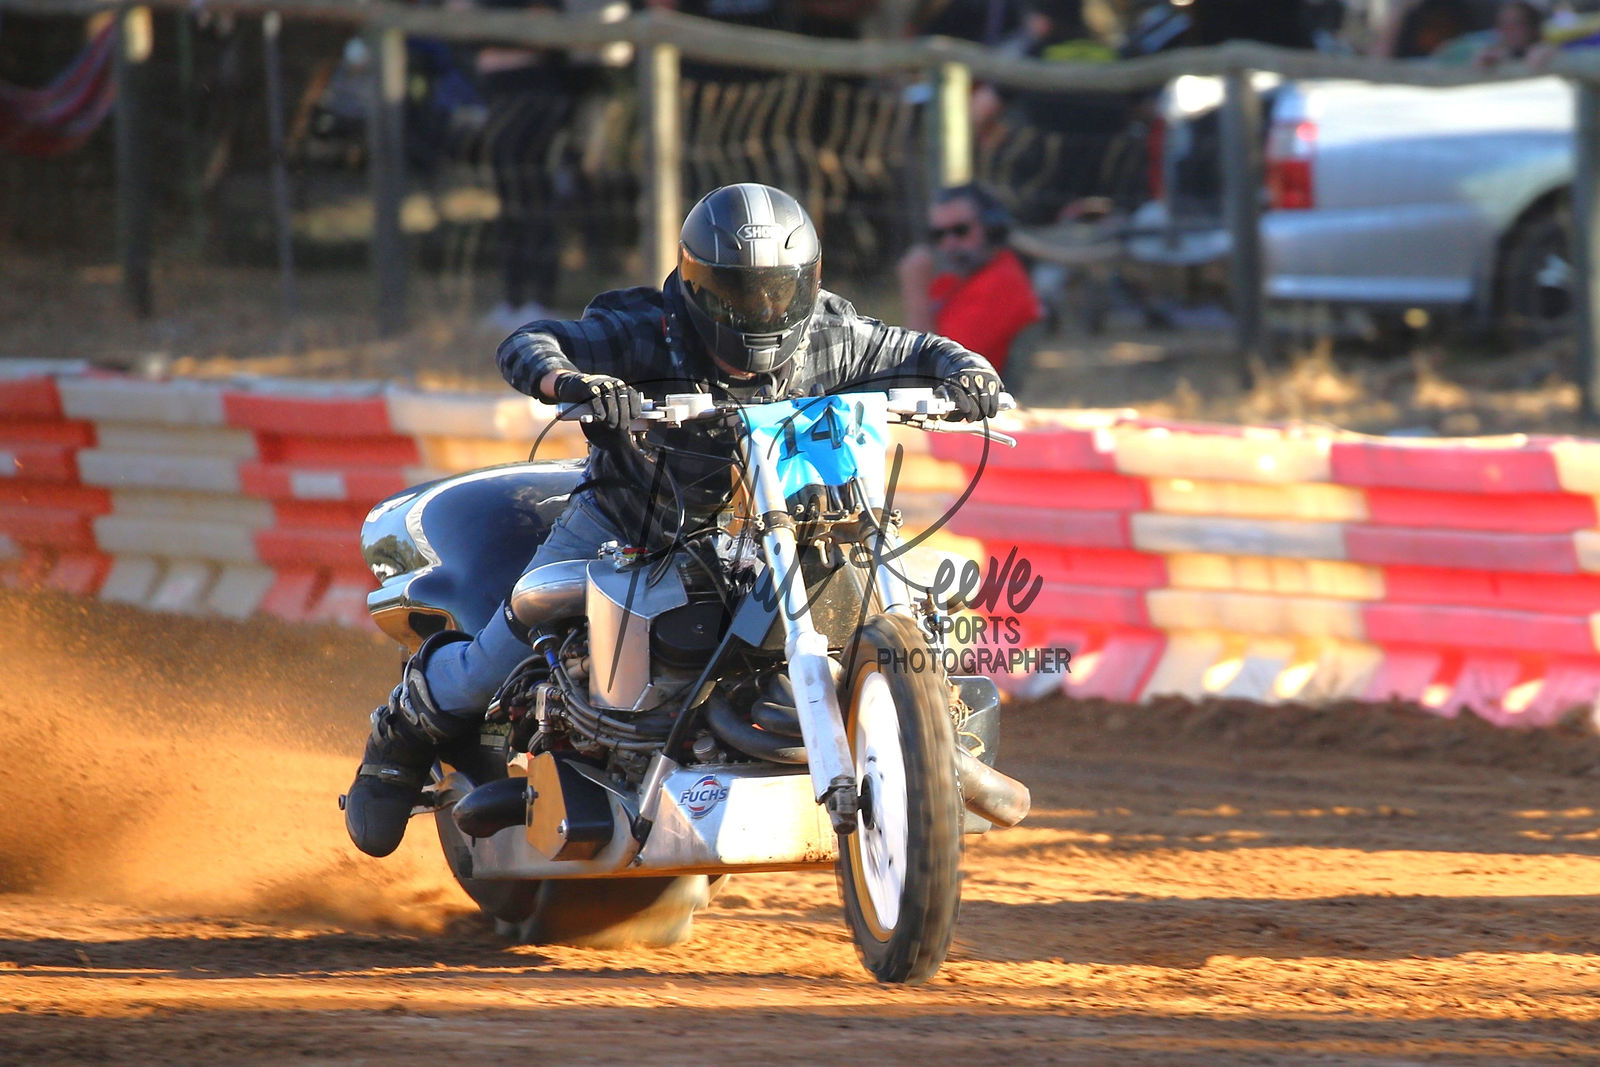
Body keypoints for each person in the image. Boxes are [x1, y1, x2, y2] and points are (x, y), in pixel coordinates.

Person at [344, 182, 1008, 857]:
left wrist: (967, 370)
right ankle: (399, 736)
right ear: (695, 287)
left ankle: (930, 721)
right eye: (738, 293)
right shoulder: (645, 327)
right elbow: (532, 343)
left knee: (891, 569)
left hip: (788, 523)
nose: (762, 309)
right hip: (632, 520)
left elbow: (921, 350)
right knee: (523, 617)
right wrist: (574, 384)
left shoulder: (833, 333)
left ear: (809, 284)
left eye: (779, 291)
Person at [896, 184, 1043, 374]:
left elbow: (931, 371)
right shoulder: (958, 280)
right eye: (938, 235)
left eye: (960, 230)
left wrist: (915, 291)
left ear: (991, 229)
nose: (949, 243)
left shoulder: (1001, 282)